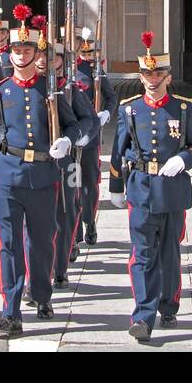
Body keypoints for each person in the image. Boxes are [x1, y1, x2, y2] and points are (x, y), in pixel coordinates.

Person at [0, 4, 81, 337]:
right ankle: (10, 309)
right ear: (9, 54)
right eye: (15, 49)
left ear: (37, 53)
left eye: (27, 48)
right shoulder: (0, 91)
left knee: (41, 242)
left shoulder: (49, 91)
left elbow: (76, 125)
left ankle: (41, 294)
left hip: (41, 175)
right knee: (8, 244)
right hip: (8, 175)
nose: (20, 54)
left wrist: (65, 141)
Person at [108, 31, 192, 343]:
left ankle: (169, 304)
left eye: (158, 74)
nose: (152, 79)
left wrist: (184, 159)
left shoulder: (183, 108)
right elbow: (117, 151)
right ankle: (142, 315)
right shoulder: (129, 109)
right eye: (147, 73)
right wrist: (115, 186)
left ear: (168, 76)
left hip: (173, 191)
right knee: (142, 255)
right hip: (140, 188)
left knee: (169, 254)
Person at [36, 24, 97, 288]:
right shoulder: (28, 88)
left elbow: (89, 119)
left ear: (61, 60)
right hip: (39, 163)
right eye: (39, 56)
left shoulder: (71, 88)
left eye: (51, 56)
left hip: (68, 161)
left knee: (67, 212)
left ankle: (61, 266)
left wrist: (78, 135)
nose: (43, 61)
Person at [73, 27, 114, 246]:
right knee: (72, 182)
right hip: (69, 137)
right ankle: (75, 225)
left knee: (89, 182)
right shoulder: (60, 68)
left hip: (89, 134)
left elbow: (110, 96)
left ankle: (89, 220)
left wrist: (105, 113)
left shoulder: (93, 69)